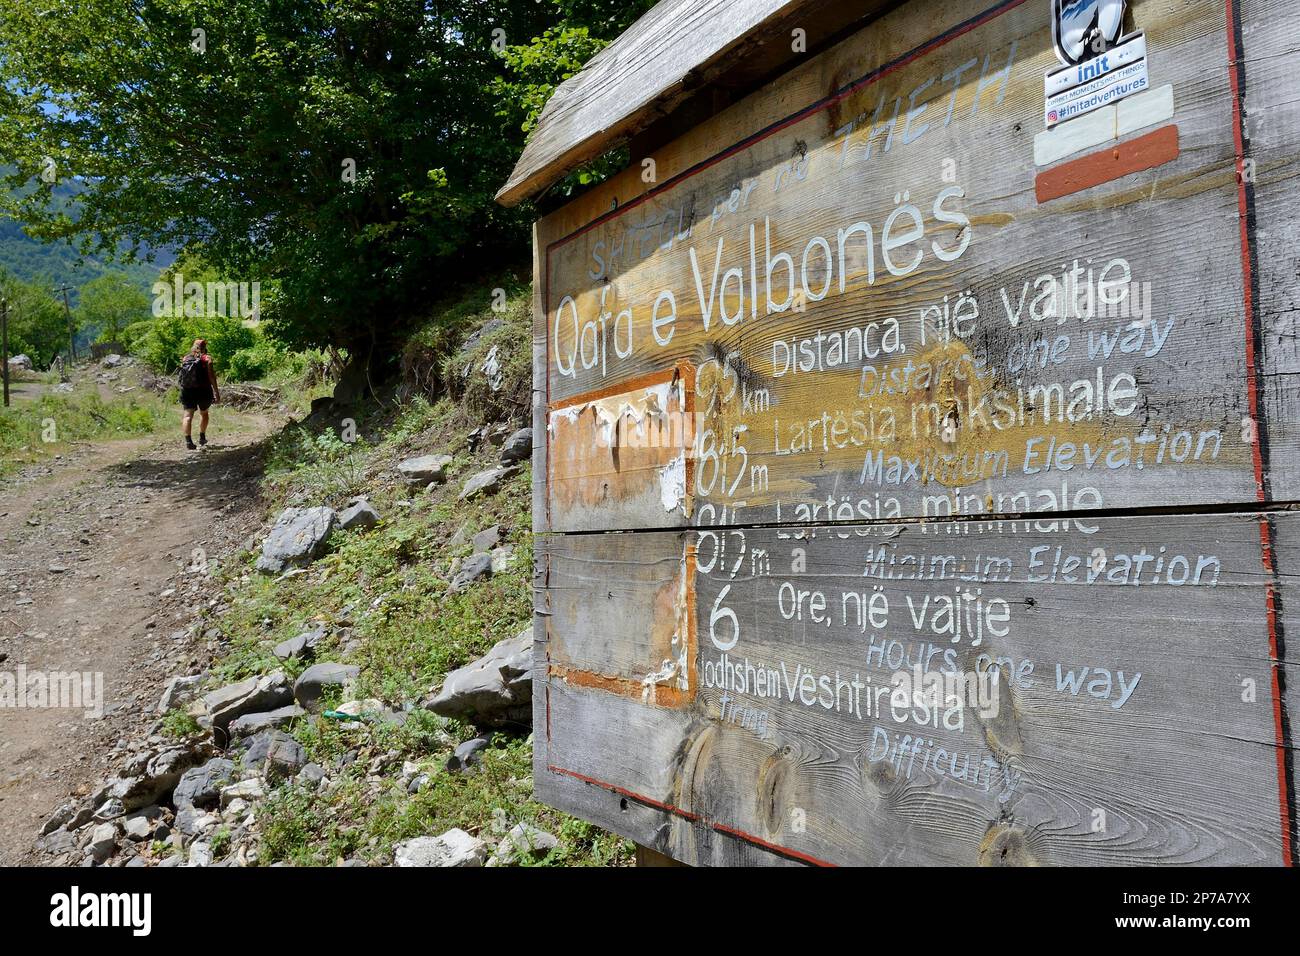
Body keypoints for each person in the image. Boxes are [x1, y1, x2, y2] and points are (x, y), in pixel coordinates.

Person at [178, 338, 220, 450]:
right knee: (204, 413)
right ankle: (202, 437)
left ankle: (188, 441)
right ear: (204, 348)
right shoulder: (206, 358)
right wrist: (216, 392)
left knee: (187, 416)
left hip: (187, 390)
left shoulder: (186, 358)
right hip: (204, 390)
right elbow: (212, 376)